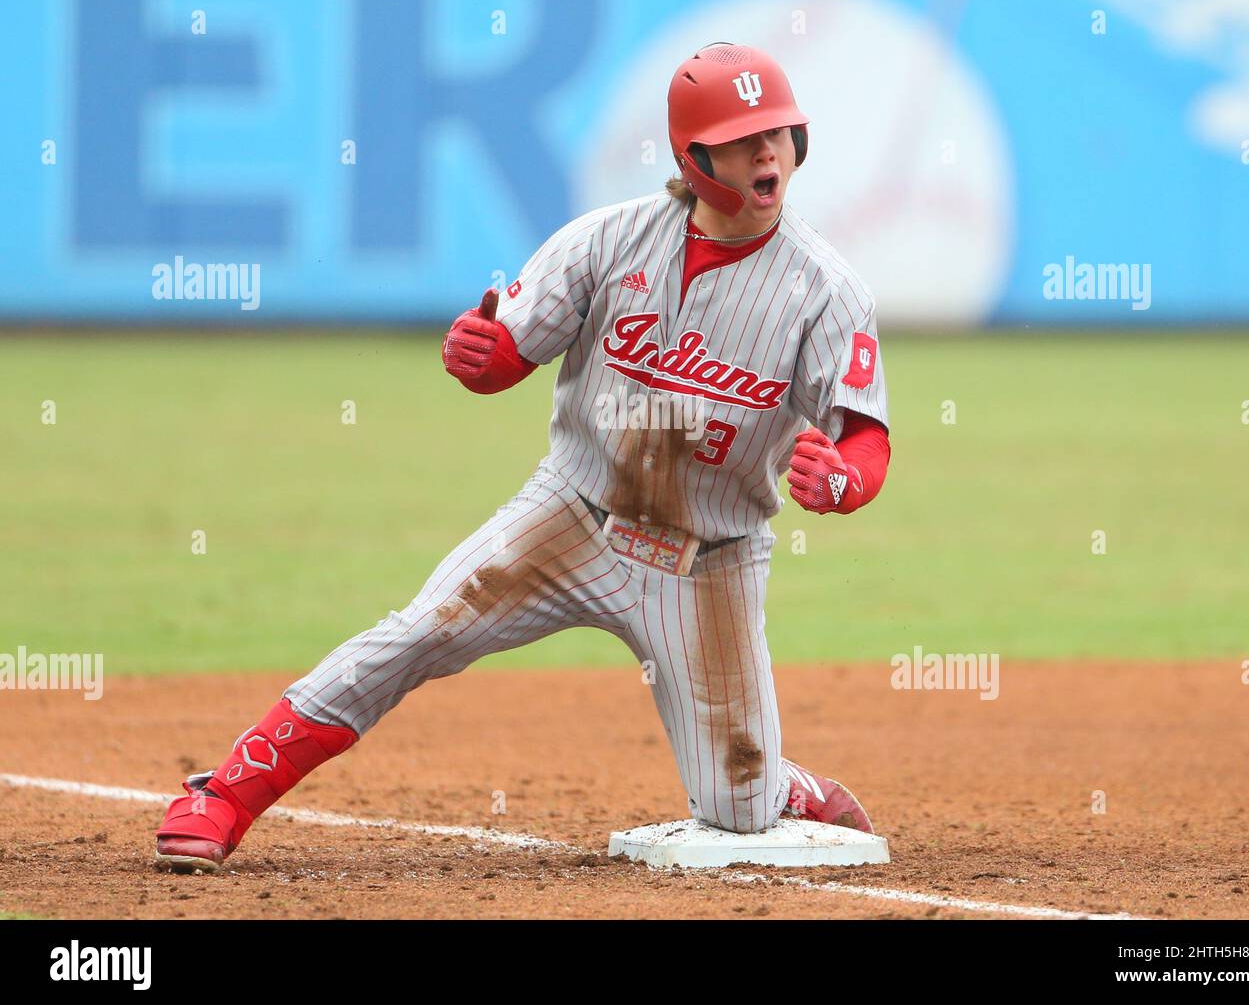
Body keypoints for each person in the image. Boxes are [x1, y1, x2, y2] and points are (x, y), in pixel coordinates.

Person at [154, 42, 892, 872]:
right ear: (694, 155)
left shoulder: (827, 288)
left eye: (780, 132)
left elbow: (865, 436)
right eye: (743, 136)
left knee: (737, 813)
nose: (768, 151)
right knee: (420, 632)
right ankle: (223, 793)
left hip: (709, 564)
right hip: (571, 517)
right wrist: (484, 355)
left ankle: (774, 785)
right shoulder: (608, 241)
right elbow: (511, 351)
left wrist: (843, 478)